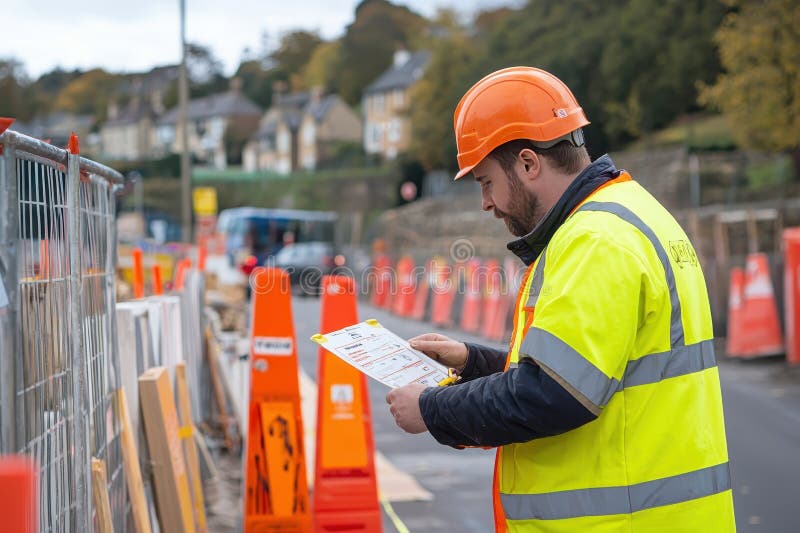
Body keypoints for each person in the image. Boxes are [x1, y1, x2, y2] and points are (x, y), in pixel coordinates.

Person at [385, 67, 735, 532]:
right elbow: (588, 373)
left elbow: (552, 396)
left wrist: (431, 409)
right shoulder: (629, 213)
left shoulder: (593, 240)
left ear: (529, 163)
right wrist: (472, 361)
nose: (485, 203)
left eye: (486, 182)